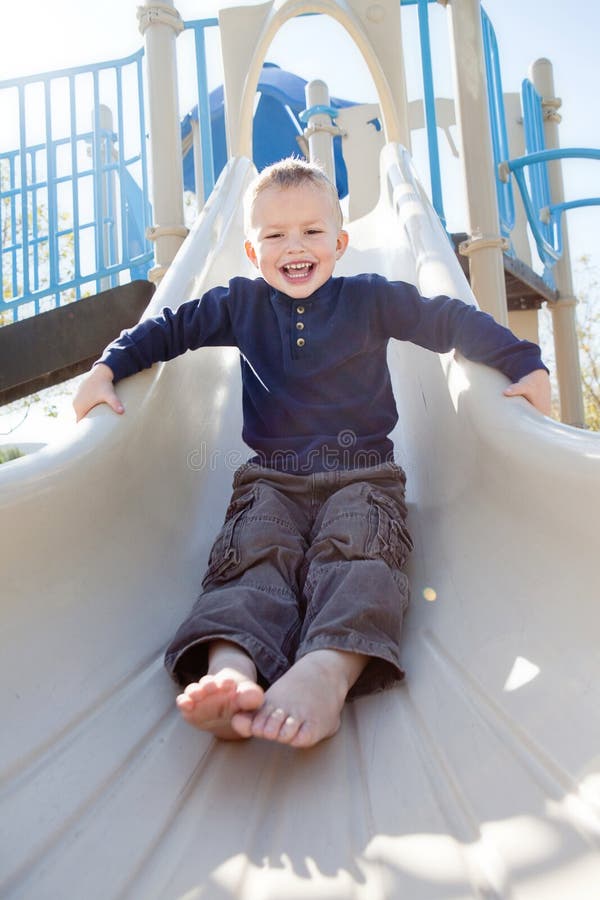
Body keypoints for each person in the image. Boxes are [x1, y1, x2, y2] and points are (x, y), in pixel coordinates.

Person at [73, 157, 551, 749]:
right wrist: (107, 367)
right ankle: (232, 667)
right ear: (252, 252)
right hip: (271, 479)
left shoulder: (370, 299)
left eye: (312, 231)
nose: (294, 246)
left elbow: (445, 318)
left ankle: (327, 668)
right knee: (251, 555)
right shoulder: (241, 304)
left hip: (364, 476)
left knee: (360, 555)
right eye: (274, 235)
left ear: (340, 243)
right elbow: (170, 327)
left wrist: (521, 360)